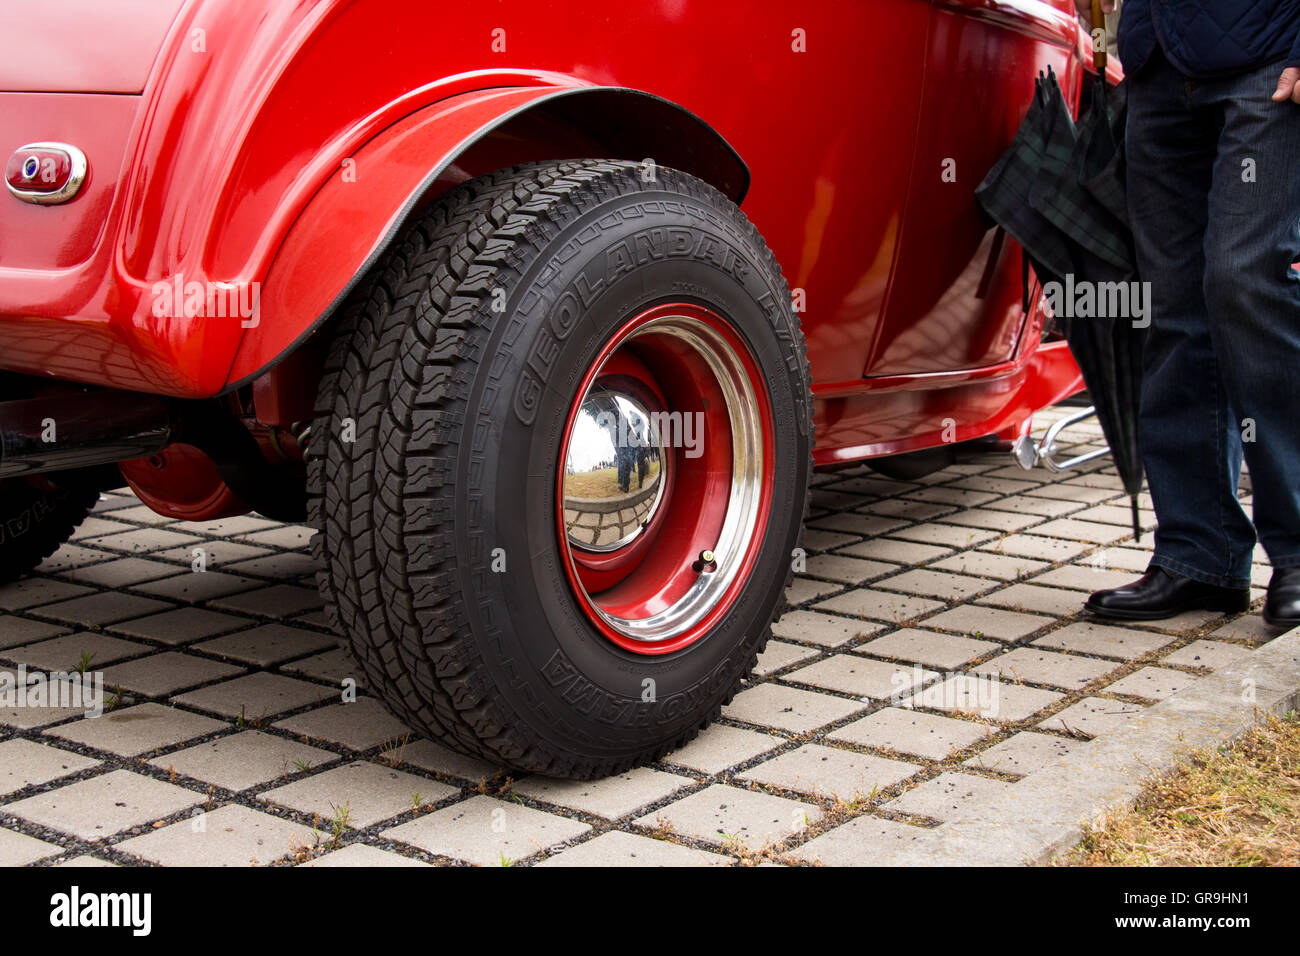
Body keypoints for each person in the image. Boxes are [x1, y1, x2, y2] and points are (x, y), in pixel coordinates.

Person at [1076, 0, 1300, 626]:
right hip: (1158, 65)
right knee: (1172, 310)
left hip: (1271, 53)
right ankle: (1200, 556)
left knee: (1246, 282)